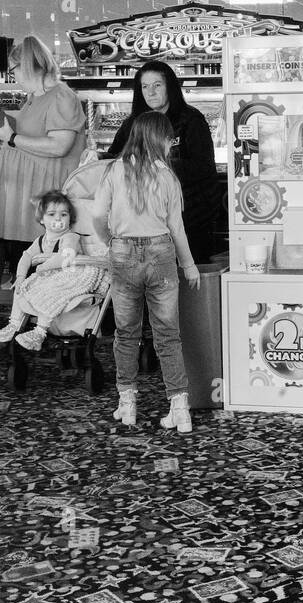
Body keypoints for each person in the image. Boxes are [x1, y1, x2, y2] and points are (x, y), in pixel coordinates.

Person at [93, 111, 200, 432]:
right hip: (161, 253)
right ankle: (180, 409)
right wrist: (190, 266)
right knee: (168, 334)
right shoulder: (167, 176)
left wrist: (109, 240)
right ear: (159, 139)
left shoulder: (114, 170)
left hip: (123, 252)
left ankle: (127, 405)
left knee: (126, 333)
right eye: (170, 139)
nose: (171, 145)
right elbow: (176, 228)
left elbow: (97, 214)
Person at [0, 36, 87, 333]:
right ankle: (28, 325)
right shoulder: (34, 98)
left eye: (14, 69)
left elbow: (59, 146)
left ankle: (45, 328)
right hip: (26, 200)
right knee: (26, 268)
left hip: (46, 200)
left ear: (27, 65)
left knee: (45, 269)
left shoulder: (62, 97)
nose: (12, 76)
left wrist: (9, 137)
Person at [100, 60, 218, 264]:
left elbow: (204, 167)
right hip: (141, 222)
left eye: (157, 85)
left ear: (170, 87)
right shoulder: (132, 123)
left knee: (184, 278)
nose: (150, 92)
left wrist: (157, 165)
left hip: (189, 217)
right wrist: (97, 157)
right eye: (144, 86)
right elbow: (115, 157)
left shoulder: (191, 120)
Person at [0, 190, 105, 350]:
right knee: (23, 286)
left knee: (49, 293)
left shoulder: (70, 237)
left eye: (63, 214)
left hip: (70, 277)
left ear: (70, 219)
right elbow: (26, 256)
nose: (58, 218)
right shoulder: (41, 241)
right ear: (42, 220)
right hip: (51, 276)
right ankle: (14, 324)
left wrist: (42, 267)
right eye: (52, 214)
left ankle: (40, 331)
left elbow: (65, 256)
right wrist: (20, 276)